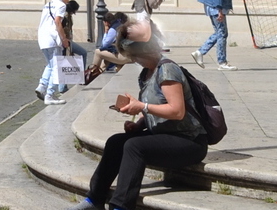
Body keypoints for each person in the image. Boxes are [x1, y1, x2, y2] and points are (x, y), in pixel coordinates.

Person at [70, 24, 208, 210]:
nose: (134, 61)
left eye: (134, 56)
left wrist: (142, 106)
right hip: (165, 134)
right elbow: (157, 108)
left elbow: (177, 111)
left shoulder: (167, 70)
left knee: (134, 146)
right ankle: (94, 199)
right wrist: (139, 123)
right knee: (115, 142)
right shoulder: (146, 73)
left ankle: (121, 206)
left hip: (189, 141)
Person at [35, 0, 71, 105]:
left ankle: (42, 86)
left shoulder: (47, 4)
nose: (67, 2)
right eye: (67, 0)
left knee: (50, 65)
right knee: (57, 67)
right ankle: (50, 95)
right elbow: (57, 22)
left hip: (42, 37)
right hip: (53, 39)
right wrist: (64, 38)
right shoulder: (61, 5)